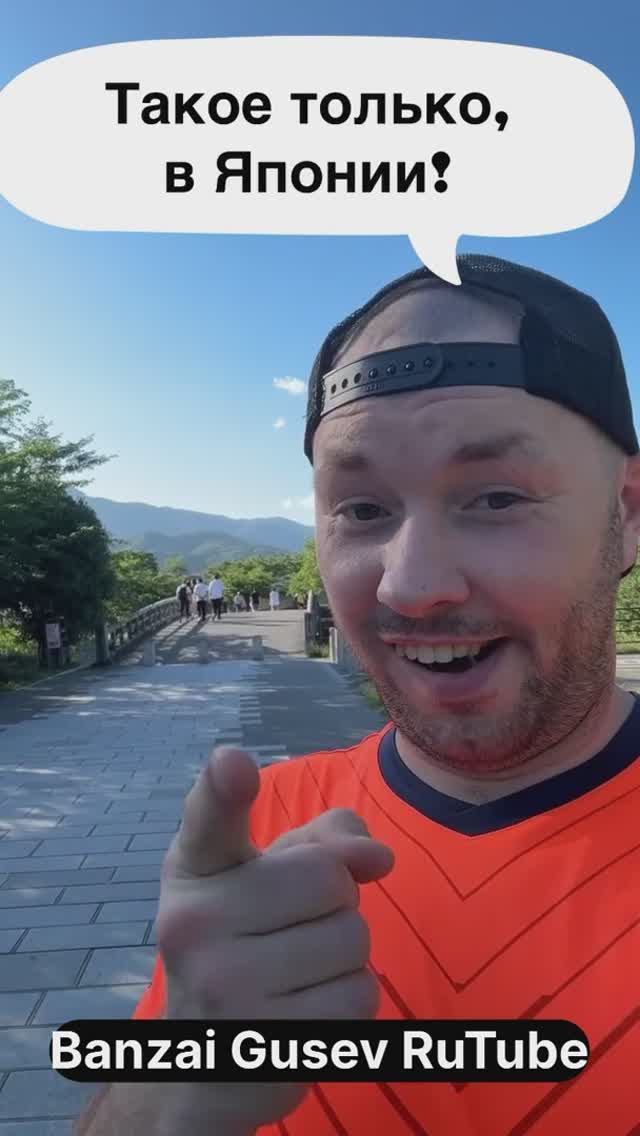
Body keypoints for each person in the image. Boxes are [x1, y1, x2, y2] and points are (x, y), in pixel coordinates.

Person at [77, 255, 640, 1135]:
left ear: (628, 512)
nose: (411, 586)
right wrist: (165, 1097)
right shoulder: (267, 839)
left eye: (496, 498)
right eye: (364, 510)